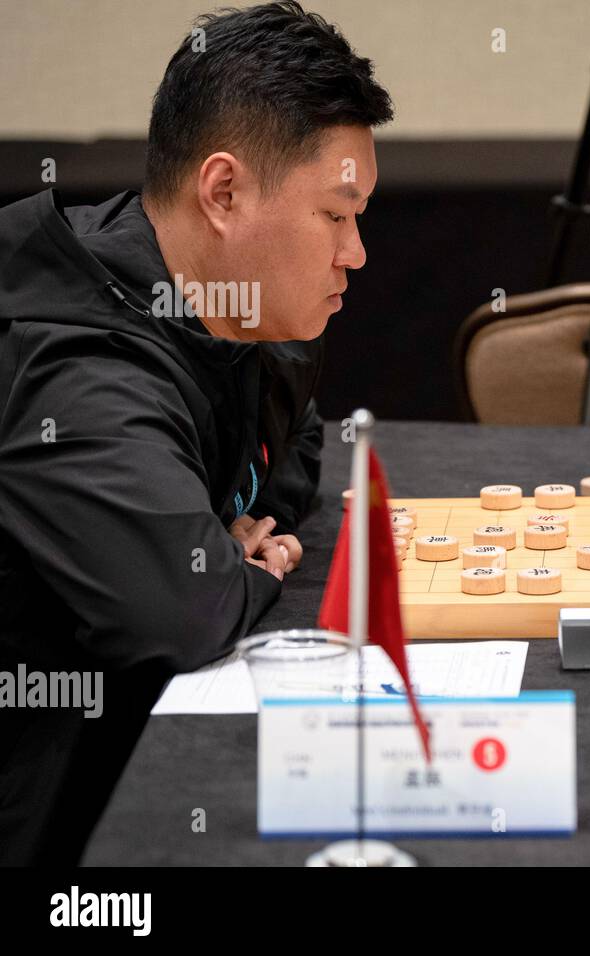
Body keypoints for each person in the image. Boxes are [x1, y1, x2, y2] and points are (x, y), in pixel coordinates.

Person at [0, 1, 391, 864]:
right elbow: (181, 610)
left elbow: (294, 461)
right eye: (336, 215)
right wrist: (234, 564)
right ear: (223, 193)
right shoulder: (78, 363)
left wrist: (211, 533)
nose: (355, 253)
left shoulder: (233, 307)